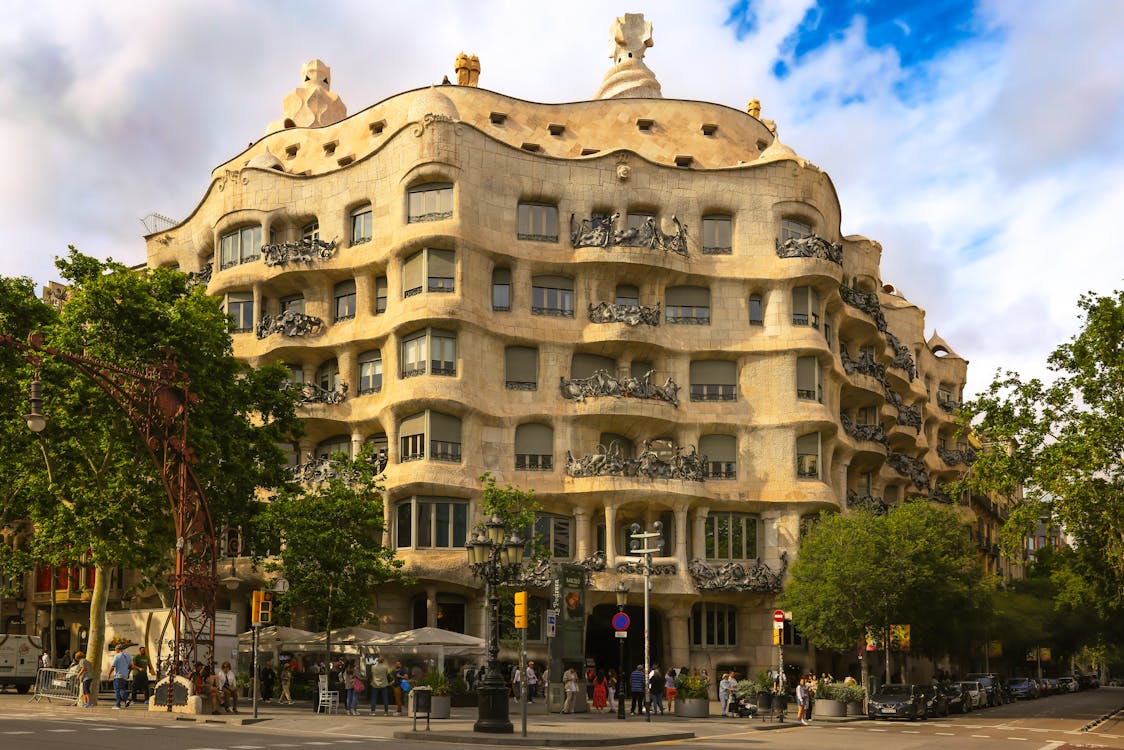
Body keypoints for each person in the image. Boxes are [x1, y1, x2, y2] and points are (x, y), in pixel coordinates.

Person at [107, 643, 132, 709]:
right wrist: (128, 674)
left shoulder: (117, 656)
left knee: (118, 690)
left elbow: (113, 666)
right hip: (124, 676)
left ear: (118, 649)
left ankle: (119, 704)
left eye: (116, 650)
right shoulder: (128, 656)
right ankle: (125, 701)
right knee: (122, 688)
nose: (115, 651)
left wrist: (109, 674)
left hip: (118, 676)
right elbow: (130, 666)